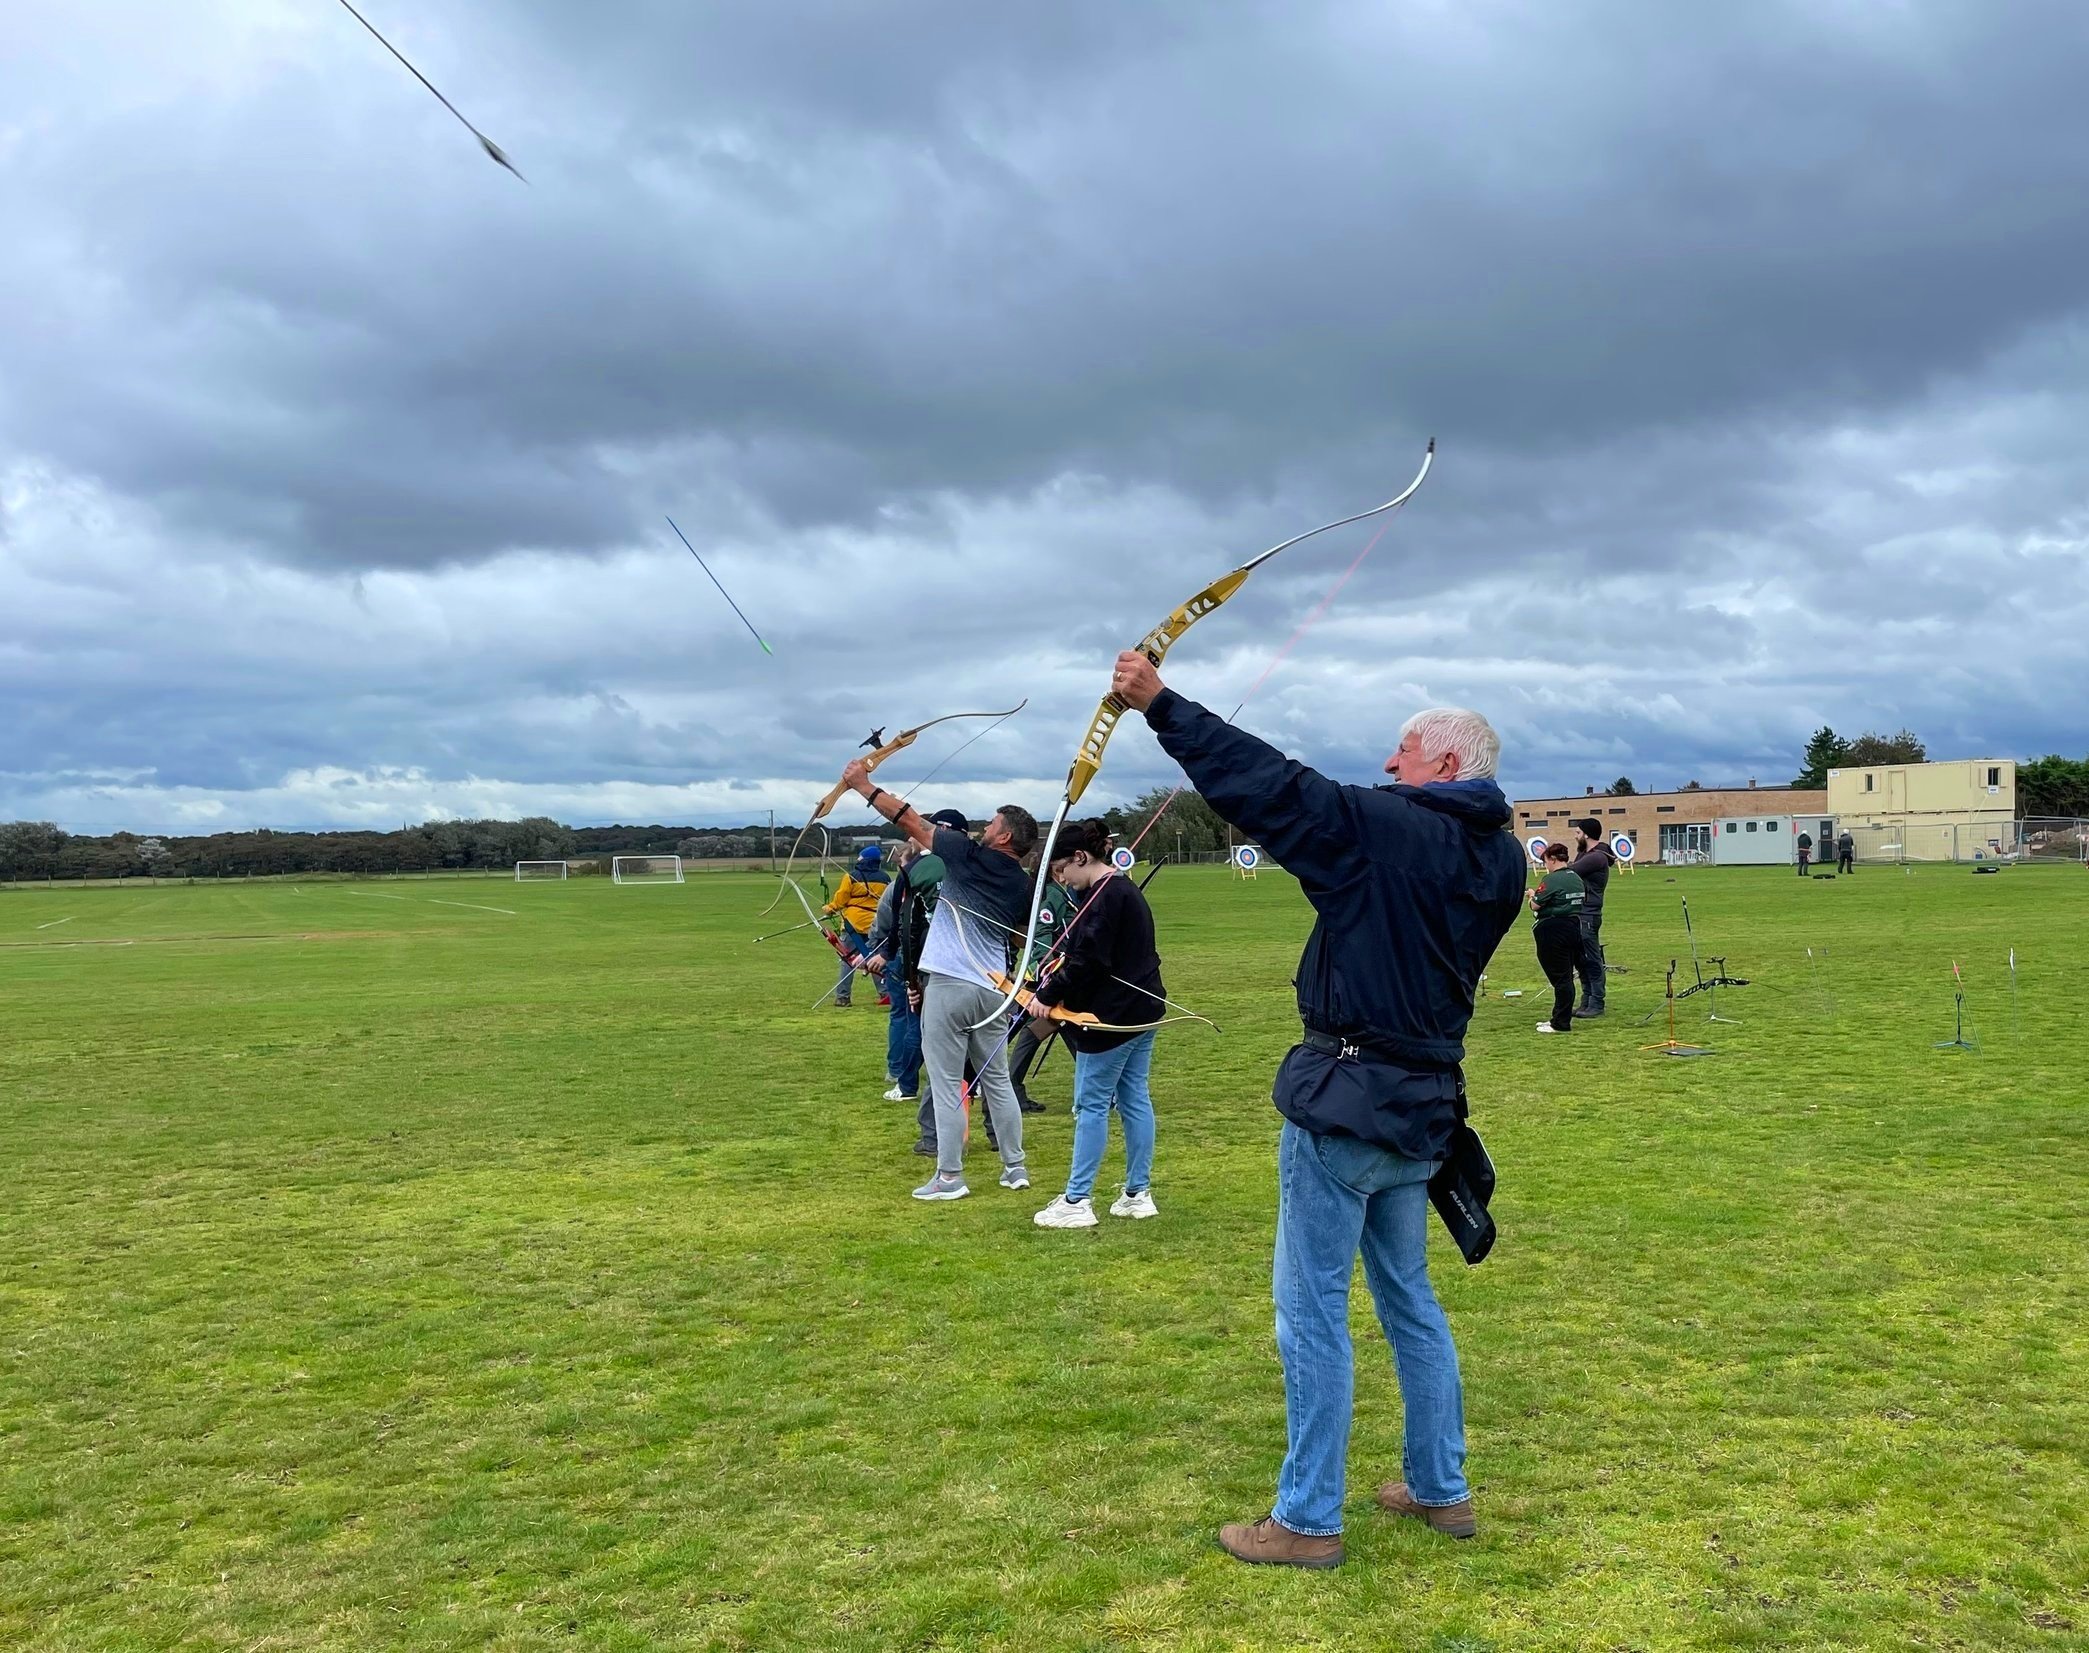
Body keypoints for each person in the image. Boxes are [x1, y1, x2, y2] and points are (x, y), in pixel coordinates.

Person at [1104, 651, 1524, 1567]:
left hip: (1349, 1101)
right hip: (1420, 1110)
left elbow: (1278, 790)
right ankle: (1440, 1488)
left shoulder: (1395, 831)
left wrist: (1161, 704)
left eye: (1403, 752)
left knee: (1310, 1311)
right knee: (1410, 1301)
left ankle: (1305, 1519)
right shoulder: (1501, 855)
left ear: (1447, 763)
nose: (1389, 764)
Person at [839, 756, 1036, 1202]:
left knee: (947, 1083)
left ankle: (950, 1176)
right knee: (997, 1081)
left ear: (1005, 836)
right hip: (994, 990)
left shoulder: (970, 856)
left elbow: (910, 820)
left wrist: (862, 785)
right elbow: (1021, 936)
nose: (984, 828)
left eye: (992, 824)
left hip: (951, 985)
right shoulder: (1023, 883)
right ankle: (1014, 1168)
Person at [1028, 818, 1167, 1229]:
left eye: (1062, 870)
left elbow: (1087, 963)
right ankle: (1137, 1194)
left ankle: (1077, 1200)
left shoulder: (1104, 897)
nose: (1062, 879)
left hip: (1110, 1019)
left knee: (1091, 1105)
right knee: (1134, 1099)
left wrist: (1046, 997)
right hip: (1141, 1012)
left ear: (1080, 857)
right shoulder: (1118, 890)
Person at [821, 845, 888, 1008]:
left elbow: (841, 900)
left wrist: (829, 908)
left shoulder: (851, 876)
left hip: (853, 925)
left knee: (848, 960)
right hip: (875, 925)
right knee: (875, 959)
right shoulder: (885, 878)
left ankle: (843, 997)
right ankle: (886, 993)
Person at [1529, 844, 1585, 1034]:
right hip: (1573, 926)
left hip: (1553, 929)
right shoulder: (1575, 877)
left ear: (1553, 859)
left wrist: (1532, 896)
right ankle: (1558, 1017)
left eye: (1546, 861)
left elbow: (1536, 905)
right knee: (1565, 976)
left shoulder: (1551, 879)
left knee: (1561, 979)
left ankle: (1560, 1023)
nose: (1546, 866)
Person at [1567, 818, 1616, 1018]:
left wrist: (1556, 862)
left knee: (1592, 960)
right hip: (1579, 912)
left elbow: (1571, 871)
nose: (1575, 836)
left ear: (1587, 834)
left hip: (1588, 914)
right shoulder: (1585, 854)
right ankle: (1586, 1001)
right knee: (1581, 961)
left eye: (1578, 832)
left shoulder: (1597, 857)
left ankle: (1596, 1003)